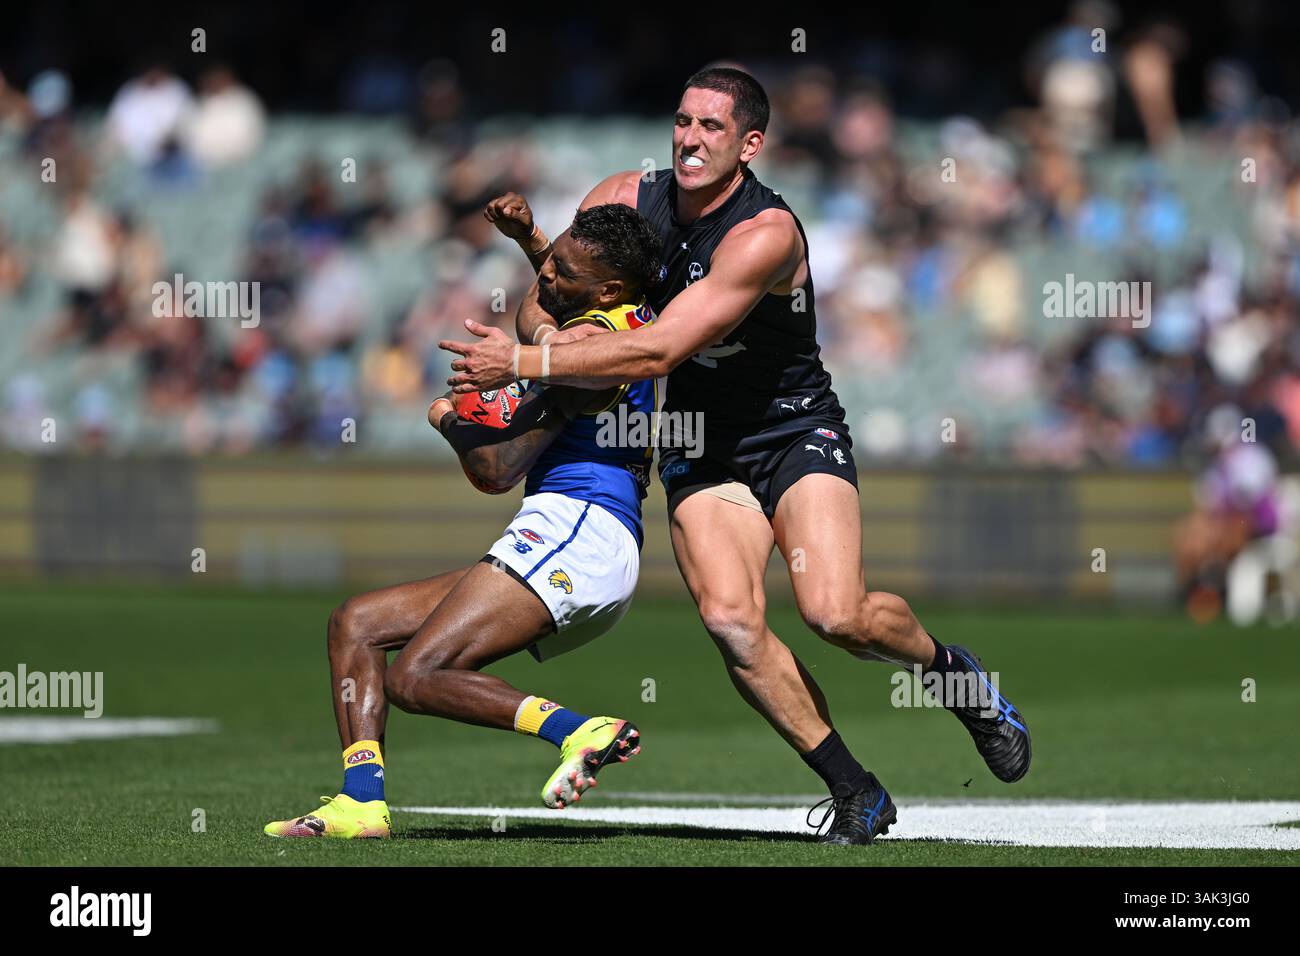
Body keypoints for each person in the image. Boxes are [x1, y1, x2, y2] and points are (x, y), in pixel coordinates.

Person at [446, 68, 1031, 845]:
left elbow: (658, 349)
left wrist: (525, 363)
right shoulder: (622, 195)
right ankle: (857, 792)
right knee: (730, 622)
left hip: (789, 429)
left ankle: (957, 679)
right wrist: (539, 284)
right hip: (696, 441)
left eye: (712, 128)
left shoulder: (766, 233)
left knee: (837, 614)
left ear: (750, 144)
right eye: (683, 122)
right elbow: (551, 298)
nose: (690, 139)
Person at [264, 204, 661, 838]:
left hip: (580, 530)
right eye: (551, 259)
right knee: (358, 623)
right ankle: (361, 802)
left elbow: (497, 467)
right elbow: (551, 314)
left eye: (563, 268)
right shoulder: (613, 318)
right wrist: (533, 239)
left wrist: (448, 416)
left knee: (417, 677)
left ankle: (579, 730)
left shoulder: (587, 351)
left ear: (608, 287)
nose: (548, 274)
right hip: (572, 534)